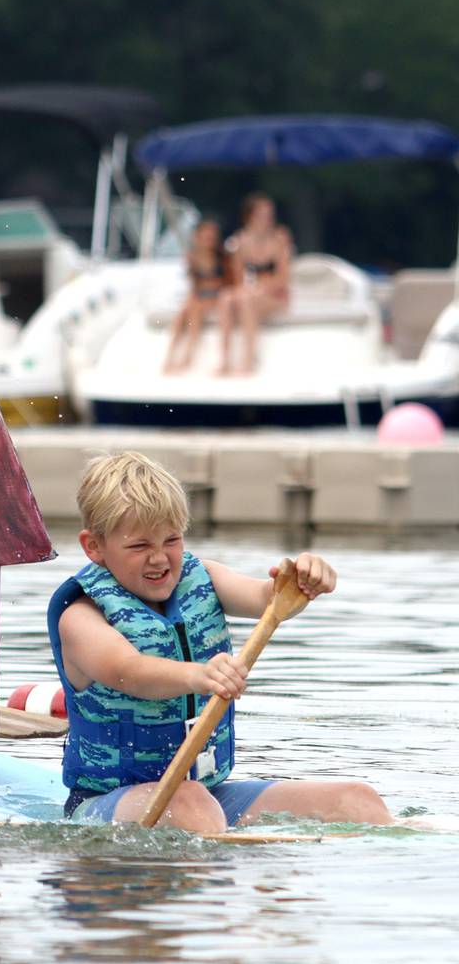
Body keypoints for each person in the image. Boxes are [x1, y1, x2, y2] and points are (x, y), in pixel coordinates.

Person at [48, 451, 392, 832]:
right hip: (108, 803)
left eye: (172, 540)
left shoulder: (204, 579)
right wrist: (198, 675)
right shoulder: (80, 618)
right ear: (94, 546)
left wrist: (300, 582)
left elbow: (268, 600)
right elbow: (128, 671)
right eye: (139, 546)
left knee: (358, 801)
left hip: (204, 794)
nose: (160, 558)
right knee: (192, 804)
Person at [227, 192, 293, 374]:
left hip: (276, 295)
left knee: (247, 301)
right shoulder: (240, 242)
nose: (268, 219)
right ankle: (224, 360)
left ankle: (248, 360)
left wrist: (258, 290)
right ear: (250, 216)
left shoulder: (280, 237)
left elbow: (283, 278)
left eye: (269, 214)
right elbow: (238, 279)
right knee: (226, 299)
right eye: (262, 215)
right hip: (252, 293)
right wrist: (249, 291)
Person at [163, 218, 234, 374]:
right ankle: (170, 355)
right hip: (201, 297)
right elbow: (195, 285)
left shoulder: (222, 258)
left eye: (211, 237)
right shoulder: (192, 258)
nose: (209, 240)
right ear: (197, 237)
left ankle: (188, 355)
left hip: (219, 297)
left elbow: (226, 284)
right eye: (205, 237)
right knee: (184, 312)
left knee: (193, 306)